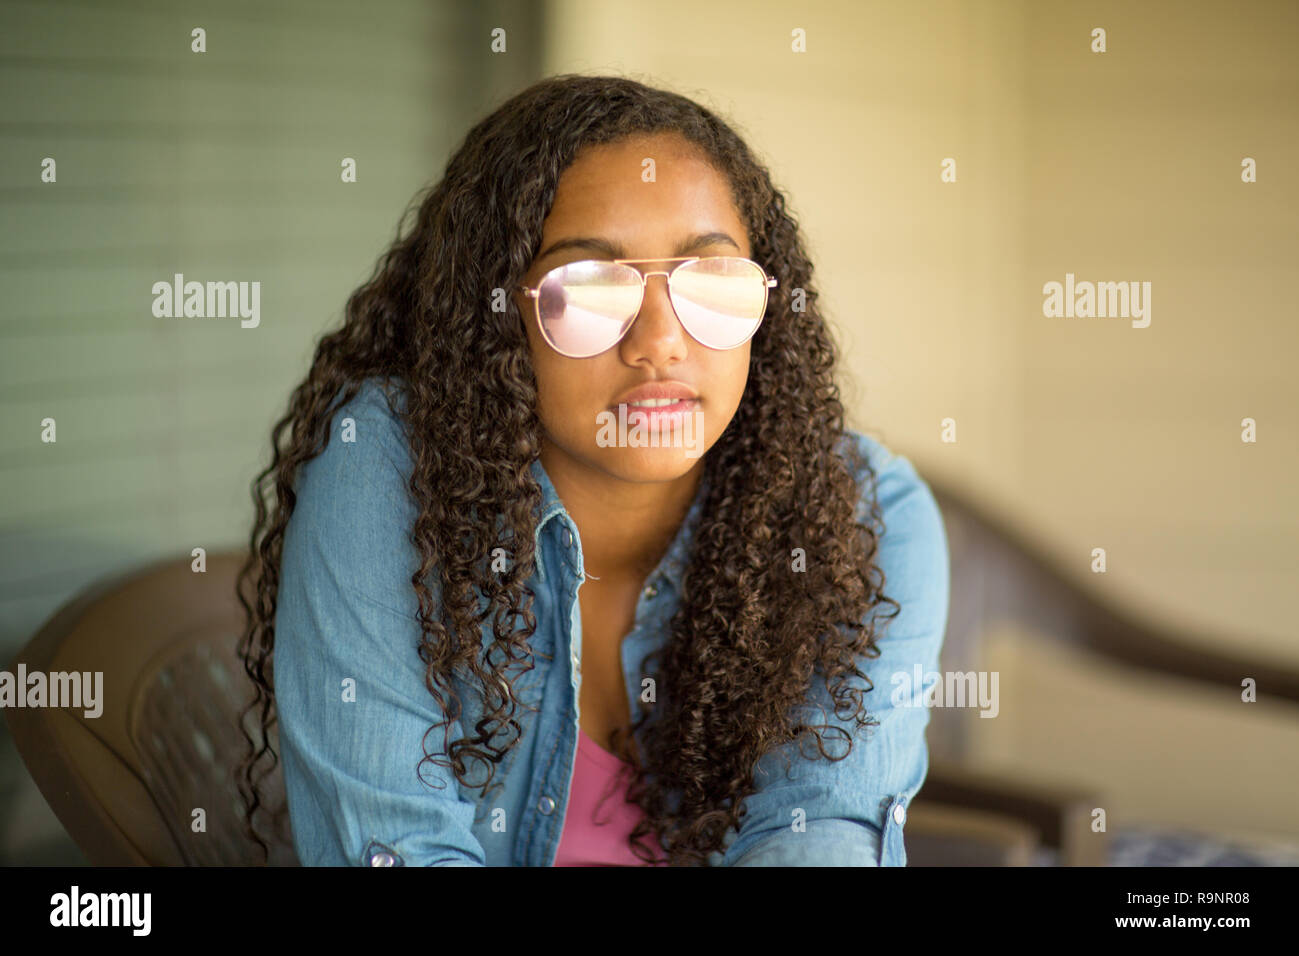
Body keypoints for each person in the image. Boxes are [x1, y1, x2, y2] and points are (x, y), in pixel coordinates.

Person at [236, 73, 950, 867]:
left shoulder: (864, 516)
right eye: (588, 288)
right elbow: (394, 846)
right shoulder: (387, 473)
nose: (659, 342)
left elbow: (819, 833)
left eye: (710, 281)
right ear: (494, 318)